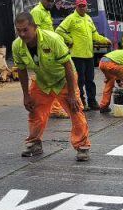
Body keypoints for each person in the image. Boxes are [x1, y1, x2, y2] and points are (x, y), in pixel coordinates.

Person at [11, 12, 91, 162]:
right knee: (34, 111)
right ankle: (34, 143)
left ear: (34, 27)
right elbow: (21, 70)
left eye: (25, 30)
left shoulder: (52, 39)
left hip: (64, 79)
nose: (22, 34)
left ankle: (82, 147)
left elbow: (67, 66)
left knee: (75, 111)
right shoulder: (17, 46)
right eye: (19, 30)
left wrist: (72, 94)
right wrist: (26, 95)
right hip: (42, 81)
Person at [55, 0, 110, 111]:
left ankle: (92, 101)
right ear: (76, 7)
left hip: (89, 55)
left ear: (86, 7)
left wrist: (105, 40)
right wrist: (69, 40)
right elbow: (59, 31)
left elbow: (95, 35)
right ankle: (81, 102)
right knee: (79, 80)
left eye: (83, 6)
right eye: (79, 6)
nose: (81, 8)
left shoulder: (89, 19)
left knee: (90, 80)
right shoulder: (71, 18)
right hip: (77, 55)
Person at [31, 0, 70, 119]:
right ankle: (52, 109)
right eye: (48, 0)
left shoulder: (46, 12)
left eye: (52, 1)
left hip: (48, 48)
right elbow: (34, 32)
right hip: (42, 49)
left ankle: (48, 108)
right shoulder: (37, 11)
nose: (50, 3)